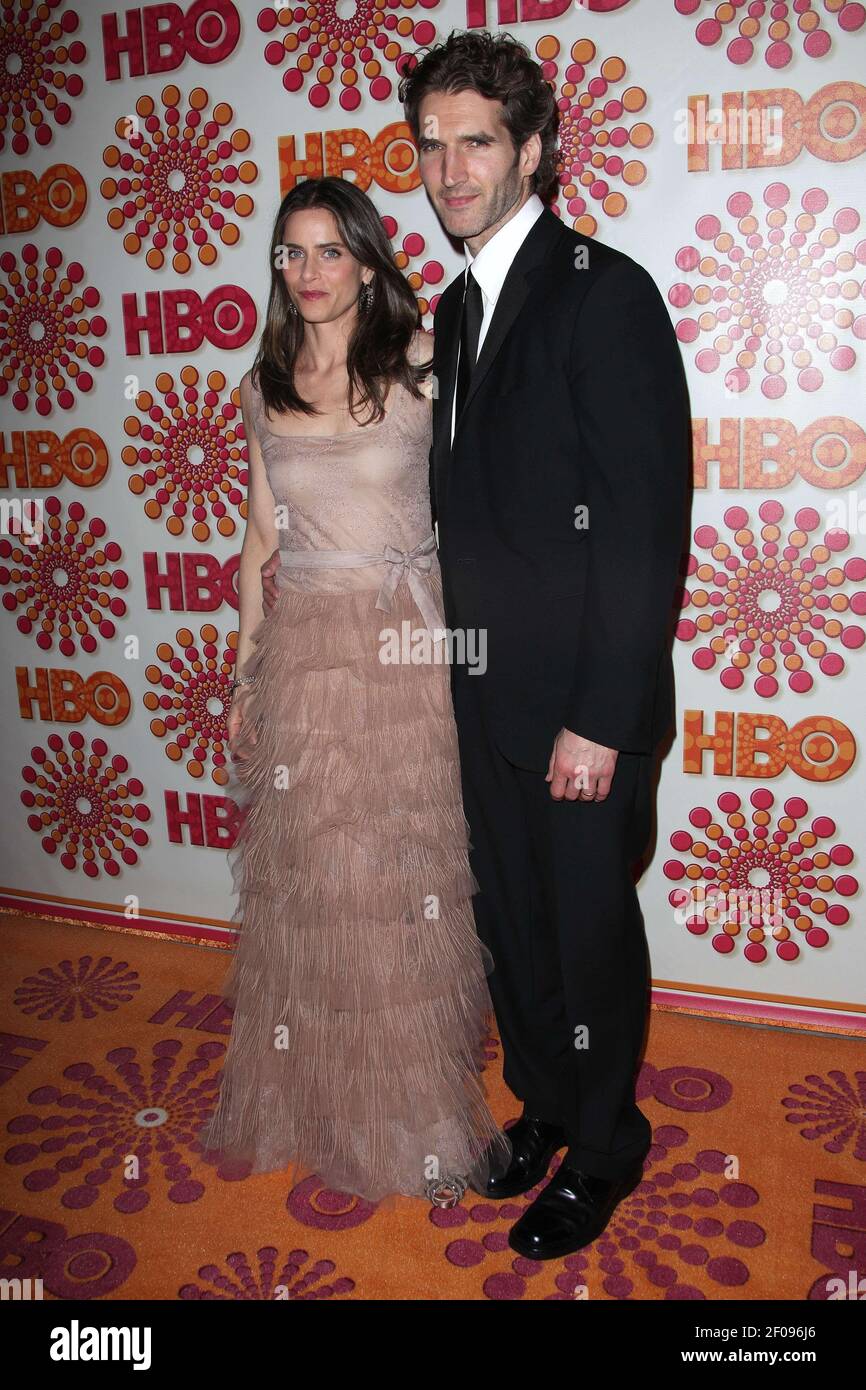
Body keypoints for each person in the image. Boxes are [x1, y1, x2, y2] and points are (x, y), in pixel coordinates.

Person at [261, 34, 691, 1259]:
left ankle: (606, 1146)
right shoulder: (450, 309)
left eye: (476, 140)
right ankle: (547, 1110)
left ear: (532, 151)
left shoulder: (602, 293)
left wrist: (600, 717)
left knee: (586, 933)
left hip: (573, 707)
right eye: (430, 142)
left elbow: (639, 525)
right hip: (474, 693)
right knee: (509, 929)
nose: (448, 167)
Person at [200, 174, 511, 1206]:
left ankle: (420, 1120)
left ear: (370, 260)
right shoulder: (264, 382)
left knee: (400, 891)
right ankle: (321, 1100)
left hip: (408, 653)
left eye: (330, 250)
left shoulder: (420, 360)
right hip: (305, 661)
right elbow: (257, 544)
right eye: (292, 253)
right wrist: (244, 675)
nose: (308, 272)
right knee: (322, 890)